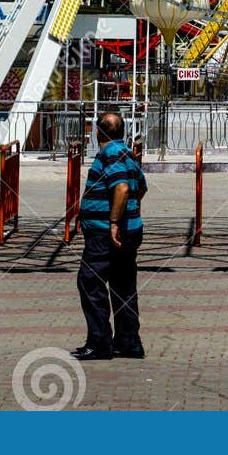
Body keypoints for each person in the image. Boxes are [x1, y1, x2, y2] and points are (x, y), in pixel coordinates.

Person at [72, 109, 147, 360]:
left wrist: (114, 220)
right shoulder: (127, 154)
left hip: (106, 235)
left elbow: (123, 188)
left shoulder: (110, 154)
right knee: (123, 286)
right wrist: (130, 214)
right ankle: (128, 342)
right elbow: (140, 187)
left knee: (90, 282)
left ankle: (100, 341)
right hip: (129, 232)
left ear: (97, 132)